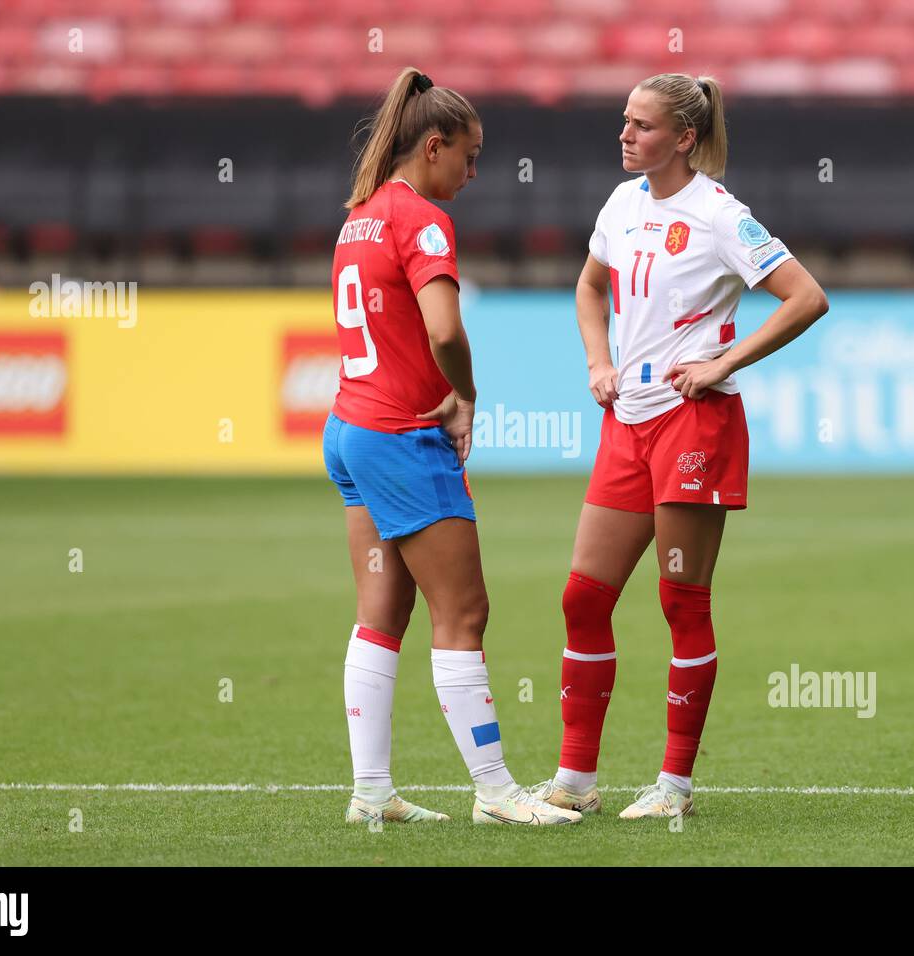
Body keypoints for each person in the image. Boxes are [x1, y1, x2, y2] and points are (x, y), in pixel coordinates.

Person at [532, 73, 829, 819]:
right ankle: (575, 780)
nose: (625, 135)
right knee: (582, 597)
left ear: (684, 137)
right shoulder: (622, 203)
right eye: (624, 121)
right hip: (627, 421)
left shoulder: (720, 215)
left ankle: (674, 787)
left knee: (680, 601)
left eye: (641, 126)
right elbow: (590, 287)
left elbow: (806, 296)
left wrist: (723, 362)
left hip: (694, 422)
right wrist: (598, 364)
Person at [325, 67, 582, 826]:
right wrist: (465, 395)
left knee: (381, 611)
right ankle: (498, 793)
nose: (473, 173)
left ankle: (371, 793)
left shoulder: (361, 214)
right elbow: (443, 328)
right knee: (464, 612)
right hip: (402, 437)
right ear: (432, 146)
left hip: (348, 433)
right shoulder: (421, 220)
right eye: (468, 157)